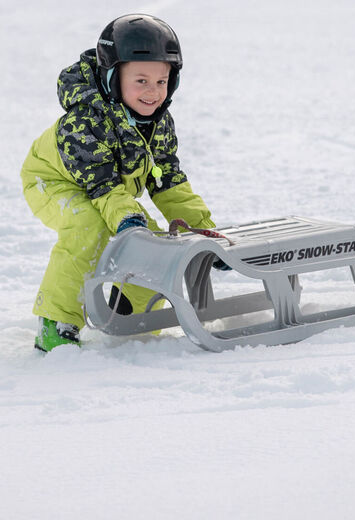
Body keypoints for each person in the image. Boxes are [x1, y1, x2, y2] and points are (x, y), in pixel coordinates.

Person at [20, 14, 216, 352]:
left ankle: (129, 317)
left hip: (110, 191)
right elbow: (102, 187)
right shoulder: (84, 122)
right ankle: (56, 322)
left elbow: (168, 181)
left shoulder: (159, 122)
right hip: (53, 183)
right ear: (112, 77)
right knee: (88, 225)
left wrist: (203, 230)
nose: (153, 92)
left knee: (154, 244)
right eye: (141, 80)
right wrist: (128, 221)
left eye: (162, 81)